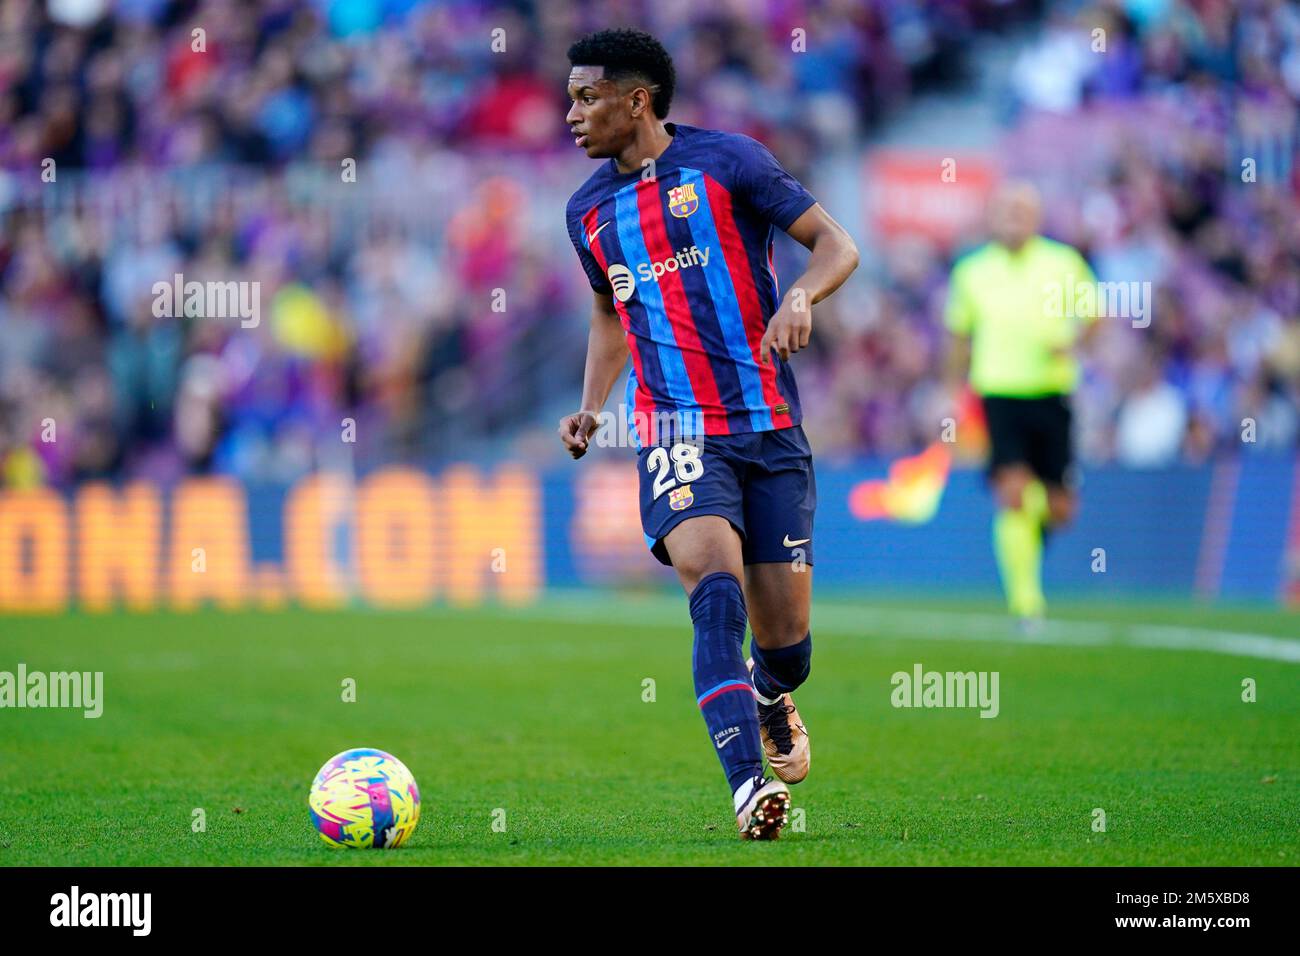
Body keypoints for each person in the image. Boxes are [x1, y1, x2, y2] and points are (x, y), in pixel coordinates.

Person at [557, 28, 859, 839]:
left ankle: (770, 692)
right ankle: (747, 788)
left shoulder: (731, 162)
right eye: (572, 98)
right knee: (712, 593)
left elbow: (838, 245)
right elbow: (608, 308)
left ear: (637, 100)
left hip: (769, 423)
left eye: (587, 97)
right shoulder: (586, 210)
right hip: (676, 427)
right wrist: (592, 404)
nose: (571, 114)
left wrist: (801, 298)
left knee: (787, 644)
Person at [945, 181, 1099, 628]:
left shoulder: (1063, 264)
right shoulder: (972, 271)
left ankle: (1031, 533)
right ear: (993, 218)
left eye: (1022, 211)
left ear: (1036, 218)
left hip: (1052, 393)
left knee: (1059, 508)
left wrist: (1072, 344)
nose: (1014, 218)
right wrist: (952, 391)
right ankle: (1026, 604)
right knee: (1012, 492)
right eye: (1007, 210)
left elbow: (1095, 317)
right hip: (998, 393)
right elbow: (959, 335)